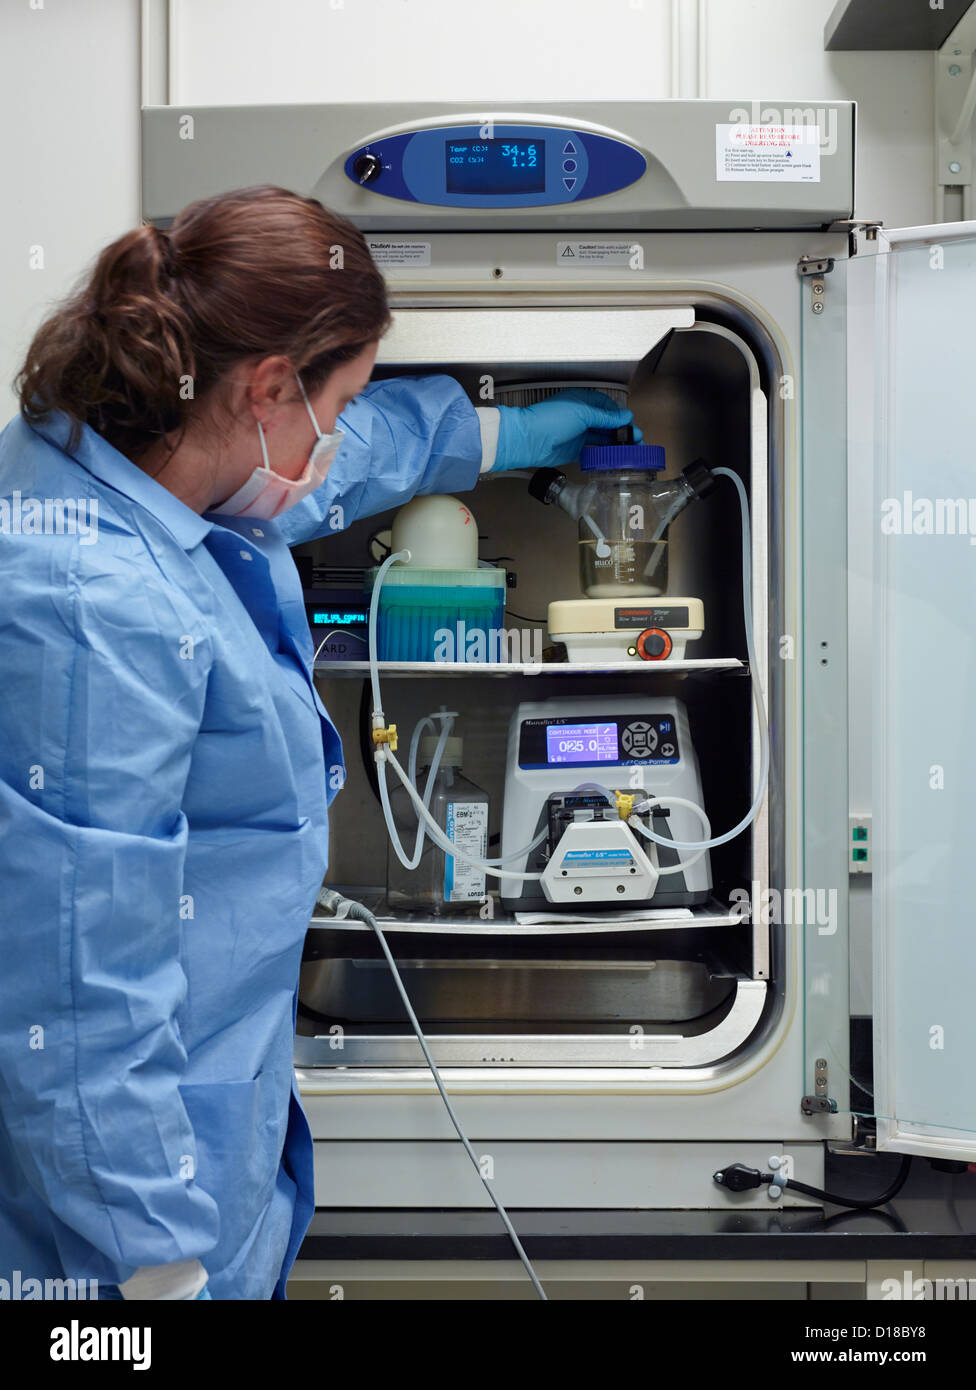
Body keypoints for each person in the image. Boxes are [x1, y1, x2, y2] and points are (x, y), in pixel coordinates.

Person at [0, 185, 638, 1300]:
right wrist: (156, 1275)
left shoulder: (148, 462)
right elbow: (76, 1001)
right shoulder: (90, 605)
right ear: (263, 390)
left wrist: (492, 433)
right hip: (117, 1235)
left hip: (205, 1138)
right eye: (332, 401)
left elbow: (330, 464)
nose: (333, 438)